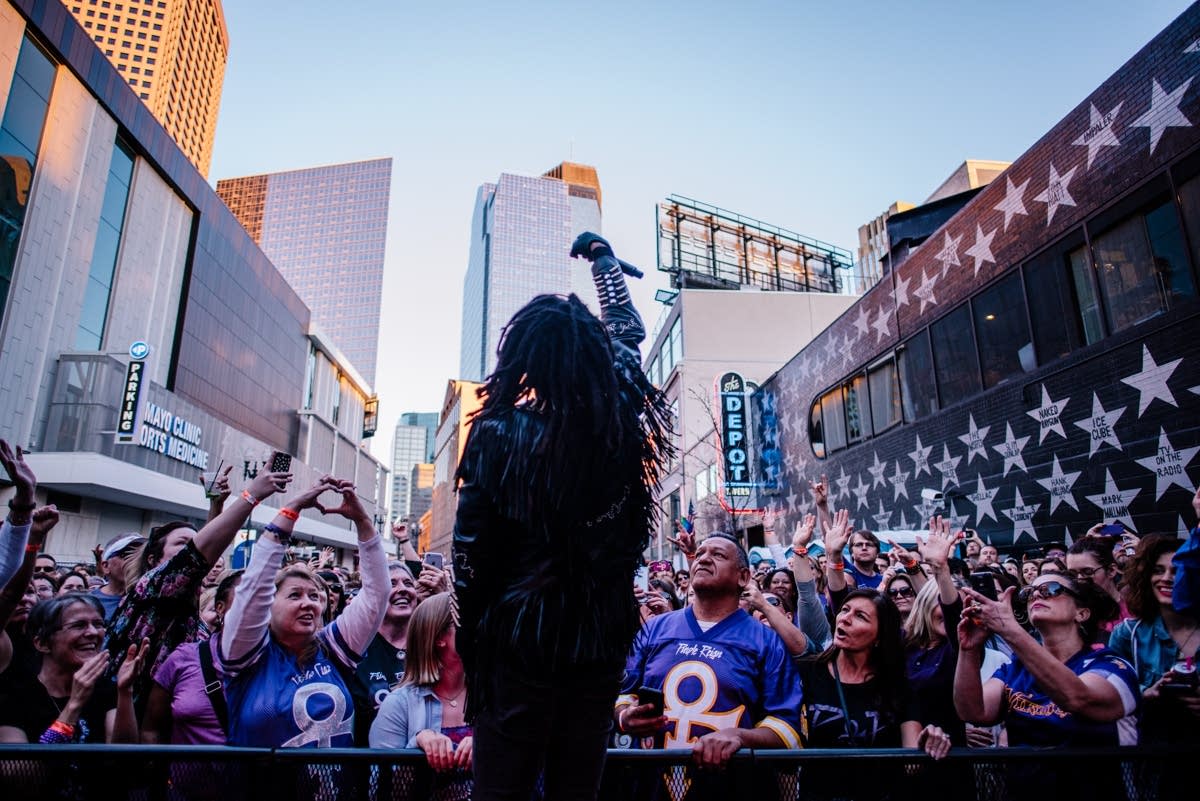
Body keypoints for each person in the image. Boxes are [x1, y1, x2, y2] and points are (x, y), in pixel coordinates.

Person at [453, 232, 673, 801]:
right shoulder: (624, 420)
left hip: (520, 645)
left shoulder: (499, 433)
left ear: (525, 360)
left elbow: (471, 561)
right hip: (599, 639)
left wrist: (476, 648)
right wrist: (602, 261)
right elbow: (626, 329)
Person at [218, 475, 388, 751]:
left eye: (313, 596)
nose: (308, 603)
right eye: (295, 595)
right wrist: (291, 509)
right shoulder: (245, 653)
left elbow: (377, 594)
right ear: (267, 605)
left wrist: (363, 522)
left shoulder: (333, 649)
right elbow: (254, 588)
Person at [104, 468, 291, 706]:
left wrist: (216, 505)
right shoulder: (148, 592)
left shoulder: (187, 601)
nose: (192, 548)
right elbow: (196, 557)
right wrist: (252, 494)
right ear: (152, 559)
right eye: (182, 543)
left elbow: (202, 555)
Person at [954, 572, 1138, 798]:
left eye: (1051, 589)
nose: (1036, 595)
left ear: (1081, 613)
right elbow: (973, 710)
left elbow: (1076, 698)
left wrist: (1010, 631)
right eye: (1029, 592)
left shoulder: (1111, 665)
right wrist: (968, 648)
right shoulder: (1016, 667)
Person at [0, 594, 148, 743]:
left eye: (98, 624)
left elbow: (123, 759)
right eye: (78, 625)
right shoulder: (13, 696)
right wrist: (74, 704)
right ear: (42, 644)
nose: (93, 632)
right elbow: (19, 766)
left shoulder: (105, 689)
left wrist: (125, 692)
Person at [370, 593, 472, 797]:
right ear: (439, 638)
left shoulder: (491, 695)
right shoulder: (399, 703)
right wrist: (415, 747)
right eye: (464, 621)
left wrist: (490, 746)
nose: (476, 628)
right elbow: (379, 789)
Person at [1108, 534, 1200, 743]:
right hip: (1152, 755)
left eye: (1178, 571)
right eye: (1158, 570)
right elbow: (1109, 692)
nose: (1166, 578)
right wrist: (1146, 693)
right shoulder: (1127, 635)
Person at [141, 569, 243, 745]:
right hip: (185, 771)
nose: (257, 606)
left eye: (265, 599)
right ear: (220, 608)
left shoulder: (280, 661)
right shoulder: (184, 658)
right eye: (246, 596)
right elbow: (151, 728)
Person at [349, 560, 418, 745]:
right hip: (367, 764)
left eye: (408, 583)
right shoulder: (354, 646)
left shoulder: (430, 644)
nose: (402, 589)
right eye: (391, 583)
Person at [92, 533, 144, 620]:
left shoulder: (150, 601)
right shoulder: (86, 601)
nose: (136, 561)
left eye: (141, 555)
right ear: (105, 566)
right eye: (127, 554)